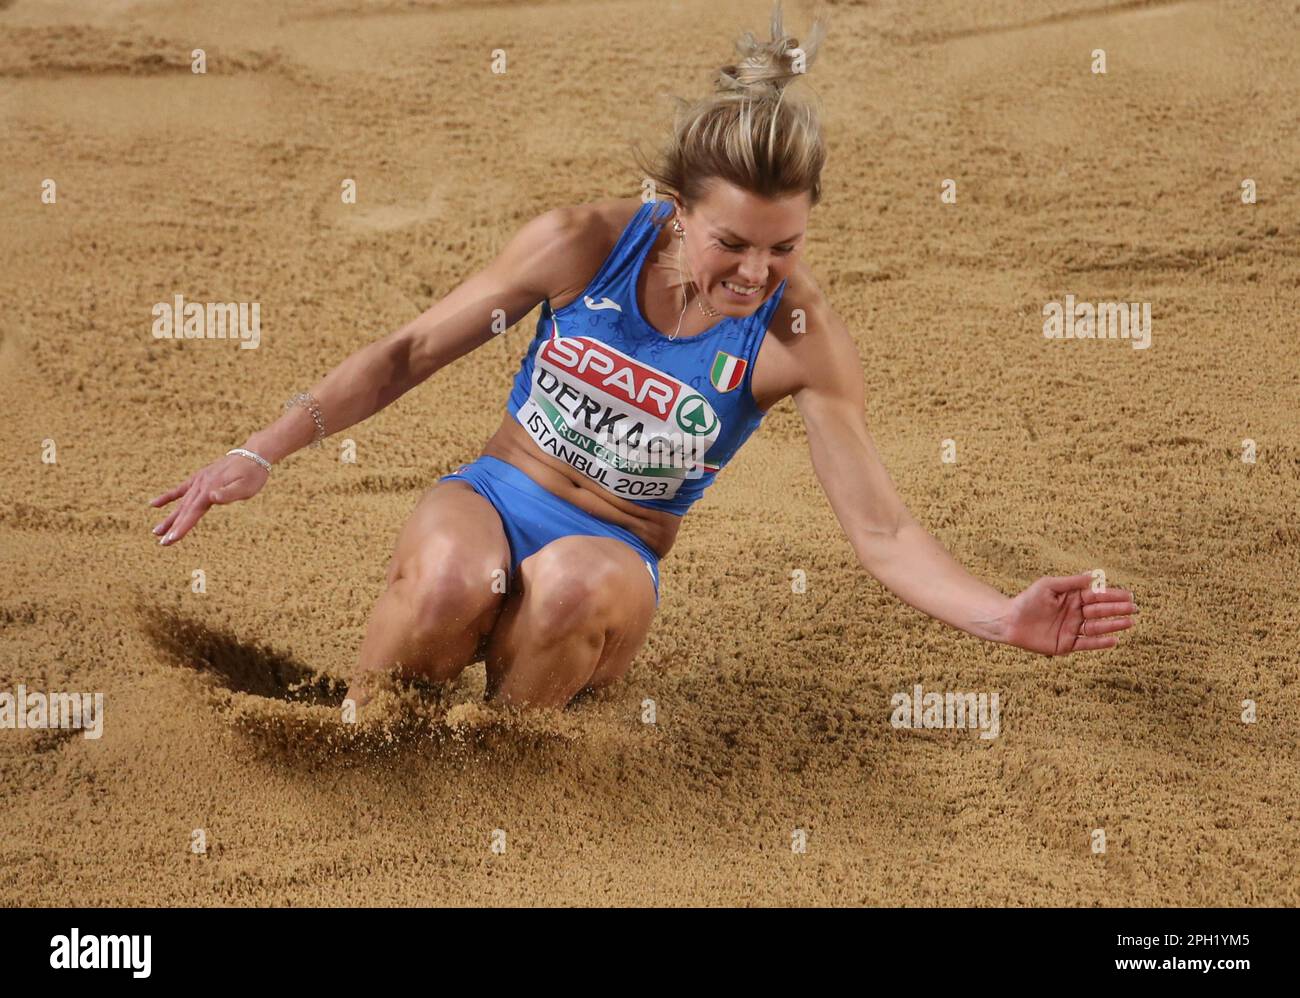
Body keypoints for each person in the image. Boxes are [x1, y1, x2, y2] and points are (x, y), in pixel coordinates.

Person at [148, 3, 1137, 711]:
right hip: (496, 494)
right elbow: (408, 351)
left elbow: (880, 531)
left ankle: (498, 779)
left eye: (783, 247)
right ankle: (369, 731)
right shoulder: (582, 242)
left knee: (572, 582)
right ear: (674, 210)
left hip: (613, 558)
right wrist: (263, 449)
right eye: (732, 244)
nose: (756, 273)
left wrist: (999, 617)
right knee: (449, 573)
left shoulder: (797, 335)